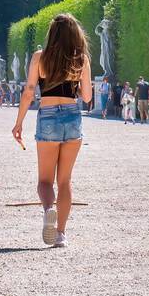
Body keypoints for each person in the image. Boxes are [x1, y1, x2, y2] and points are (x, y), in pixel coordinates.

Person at [12, 13, 93, 248]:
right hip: (72, 115)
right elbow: (87, 97)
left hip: (48, 115)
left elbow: (28, 92)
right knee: (65, 180)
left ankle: (49, 209)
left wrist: (19, 123)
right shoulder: (82, 60)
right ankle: (61, 234)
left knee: (45, 181)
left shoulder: (40, 57)